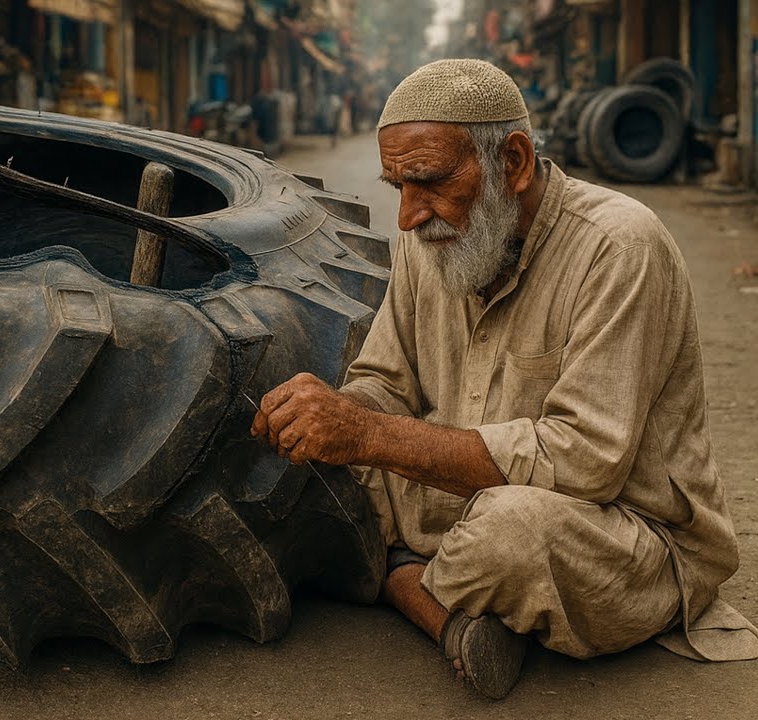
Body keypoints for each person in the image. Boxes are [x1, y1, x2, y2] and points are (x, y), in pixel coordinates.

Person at [249, 59, 758, 700]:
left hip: (615, 528)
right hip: (472, 486)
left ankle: (405, 586)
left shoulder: (620, 248)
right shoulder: (426, 236)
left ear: (513, 163)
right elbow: (386, 383)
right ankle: (433, 592)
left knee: (510, 532)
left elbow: (584, 462)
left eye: (430, 182)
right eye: (397, 187)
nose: (407, 216)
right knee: (305, 478)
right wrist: (336, 417)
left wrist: (367, 436)